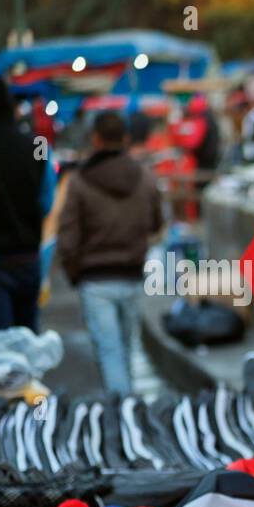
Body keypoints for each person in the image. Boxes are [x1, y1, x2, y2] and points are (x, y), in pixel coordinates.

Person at [57, 111, 164, 395]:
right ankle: (128, 414)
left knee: (109, 352)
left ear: (96, 138)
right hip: (132, 273)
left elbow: (67, 235)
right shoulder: (145, 177)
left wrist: (73, 271)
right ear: (125, 138)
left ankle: (121, 413)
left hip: (94, 279)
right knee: (127, 350)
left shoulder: (79, 181)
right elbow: (157, 222)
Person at [0, 77, 53, 331]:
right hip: (28, 257)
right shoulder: (37, 144)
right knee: (29, 340)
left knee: (1, 351)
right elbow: (47, 200)